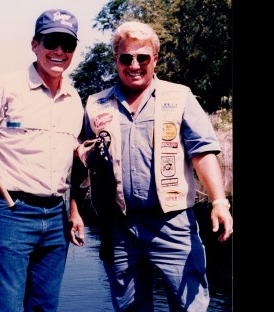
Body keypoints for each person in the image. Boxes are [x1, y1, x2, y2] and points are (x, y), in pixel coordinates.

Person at [70, 21, 233, 311]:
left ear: (155, 59)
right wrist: (75, 210)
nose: (134, 65)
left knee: (190, 306)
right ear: (115, 60)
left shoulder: (179, 96)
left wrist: (219, 201)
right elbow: (81, 162)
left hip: (173, 225)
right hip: (119, 228)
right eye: (126, 58)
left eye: (142, 57)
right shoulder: (96, 104)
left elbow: (203, 152)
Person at [0, 9, 86, 312]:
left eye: (67, 45)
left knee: (45, 305)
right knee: (7, 305)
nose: (59, 51)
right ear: (35, 44)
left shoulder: (75, 98)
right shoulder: (7, 87)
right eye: (52, 42)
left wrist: (75, 212)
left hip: (57, 216)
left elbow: (78, 161)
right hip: (11, 212)